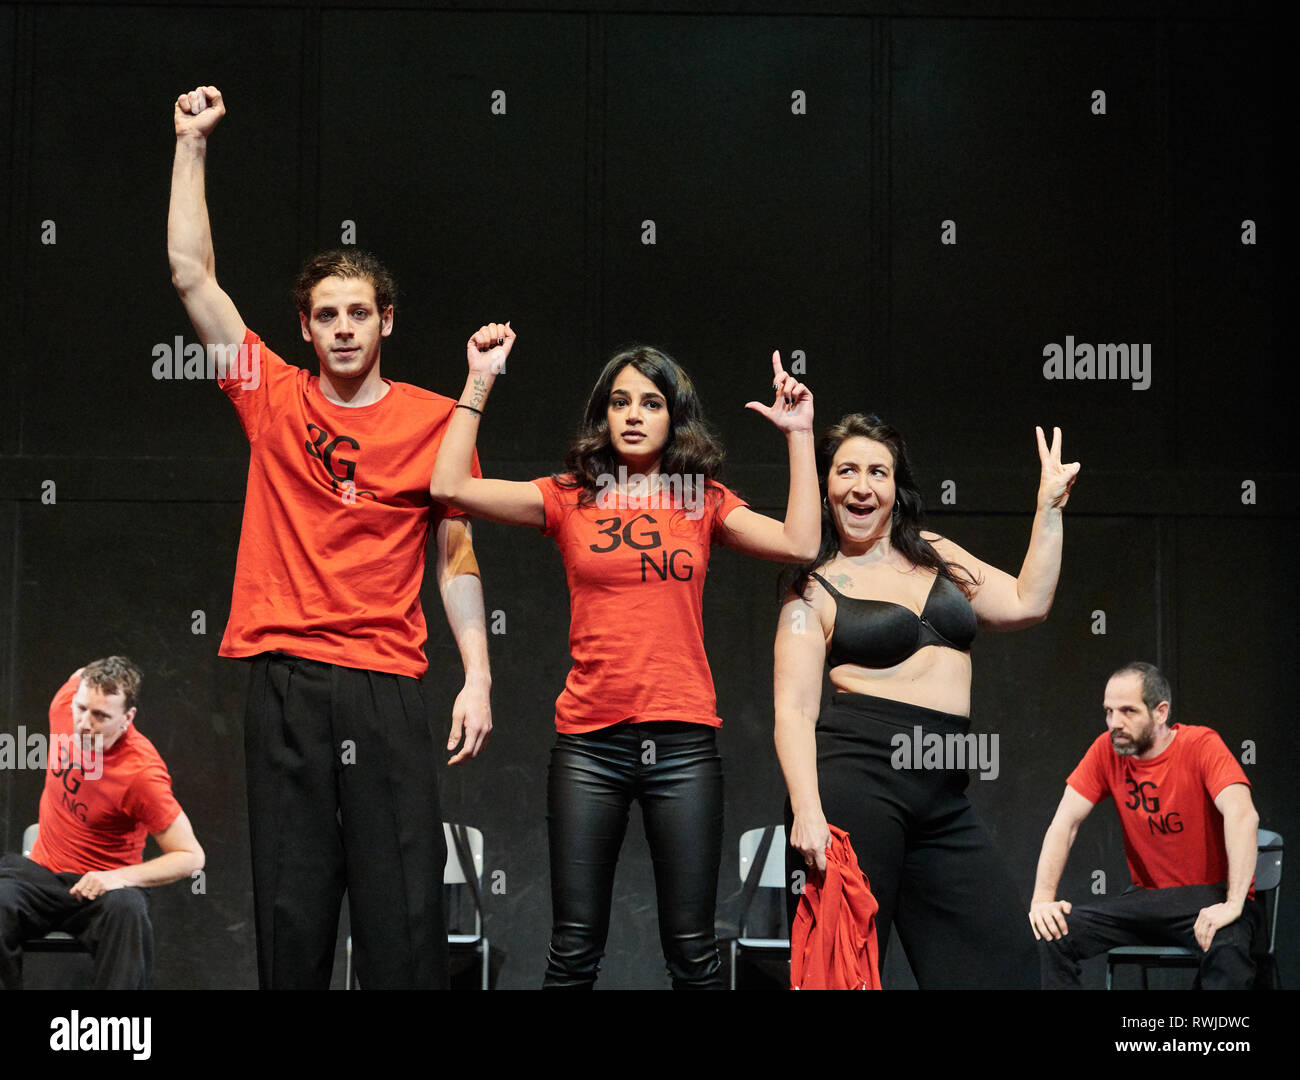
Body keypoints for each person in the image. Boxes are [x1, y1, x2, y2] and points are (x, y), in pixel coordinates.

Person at [167, 86, 492, 989]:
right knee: (291, 909)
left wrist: (481, 672)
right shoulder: (270, 396)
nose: (343, 328)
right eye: (325, 315)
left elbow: (455, 551)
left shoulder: (436, 420)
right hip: (286, 686)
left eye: (359, 313)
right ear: (305, 327)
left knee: (404, 918)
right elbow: (194, 276)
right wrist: (191, 145)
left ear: (386, 321)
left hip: (387, 685)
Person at [431, 324, 819, 988]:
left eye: (650, 402)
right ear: (602, 415)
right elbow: (449, 488)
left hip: (684, 743)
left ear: (675, 417)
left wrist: (800, 435)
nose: (634, 415)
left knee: (694, 955)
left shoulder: (702, 502)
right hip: (589, 744)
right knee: (574, 952)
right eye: (620, 401)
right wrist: (479, 380)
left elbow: (801, 542)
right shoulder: (567, 496)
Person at [773, 413, 1079, 989]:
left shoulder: (935, 553)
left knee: (1002, 963)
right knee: (845, 972)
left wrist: (1049, 506)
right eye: (847, 471)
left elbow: (1026, 601)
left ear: (896, 488)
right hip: (856, 782)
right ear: (826, 486)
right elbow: (793, 709)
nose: (862, 485)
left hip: (941, 787)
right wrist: (808, 811)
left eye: (878, 472)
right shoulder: (811, 590)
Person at [1029, 662, 1263, 989]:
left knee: (1229, 948)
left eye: (1128, 711)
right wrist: (1042, 899)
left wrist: (1233, 904)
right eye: (1109, 712)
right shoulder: (1105, 751)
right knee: (1052, 933)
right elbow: (1064, 824)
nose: (1115, 723)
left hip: (1212, 899)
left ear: (1161, 712)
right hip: (1148, 902)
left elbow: (1242, 816)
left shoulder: (1201, 745)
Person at [1, 658, 205, 989]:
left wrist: (116, 878)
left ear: (127, 718)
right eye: (82, 708)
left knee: (129, 911)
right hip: (40, 875)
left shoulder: (141, 773)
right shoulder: (65, 703)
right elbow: (79, 676)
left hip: (101, 890)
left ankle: (112, 1032)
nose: (84, 723)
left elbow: (191, 856)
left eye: (100, 716)